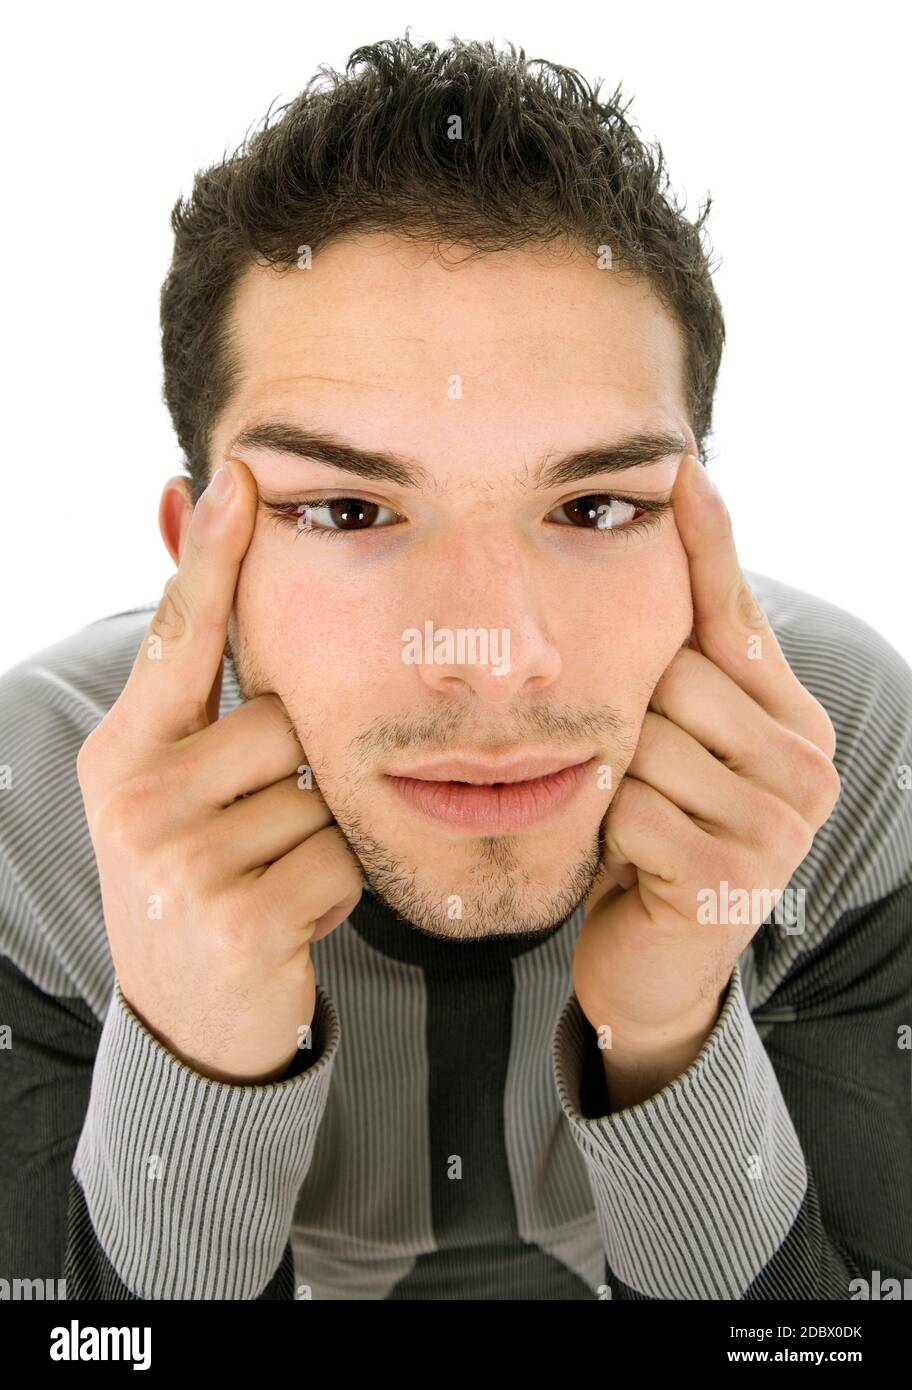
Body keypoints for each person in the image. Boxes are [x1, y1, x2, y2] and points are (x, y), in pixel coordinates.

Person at [1, 33, 909, 1302]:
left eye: (596, 506)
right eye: (348, 513)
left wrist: (663, 1041)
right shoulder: (26, 821)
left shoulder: (848, 760)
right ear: (192, 564)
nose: (495, 661)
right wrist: (189, 1057)